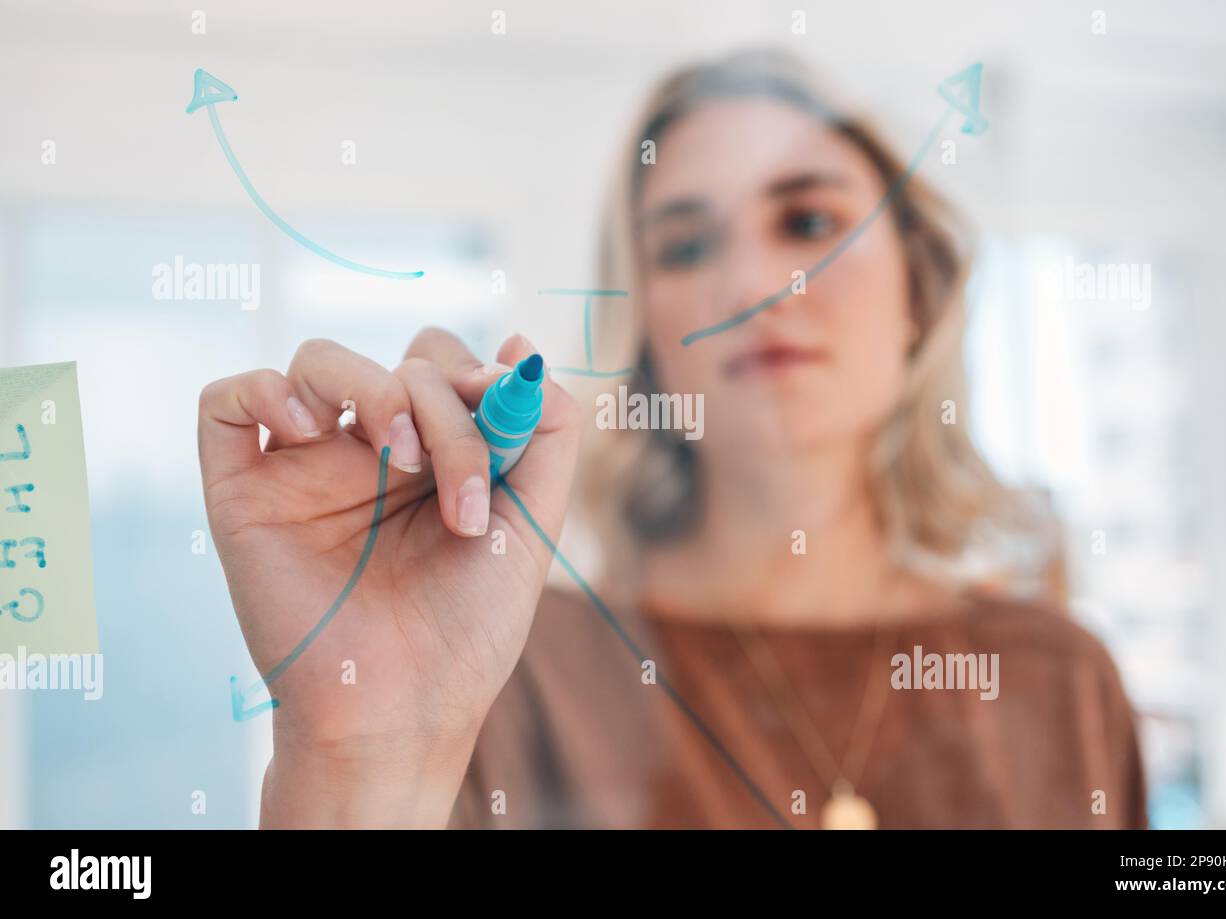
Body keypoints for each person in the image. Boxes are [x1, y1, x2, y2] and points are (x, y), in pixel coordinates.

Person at [198, 50, 1145, 829]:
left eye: (808, 220)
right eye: (687, 245)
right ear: (648, 339)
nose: (754, 283)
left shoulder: (1061, 680)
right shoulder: (505, 671)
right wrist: (353, 751)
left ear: (918, 292)